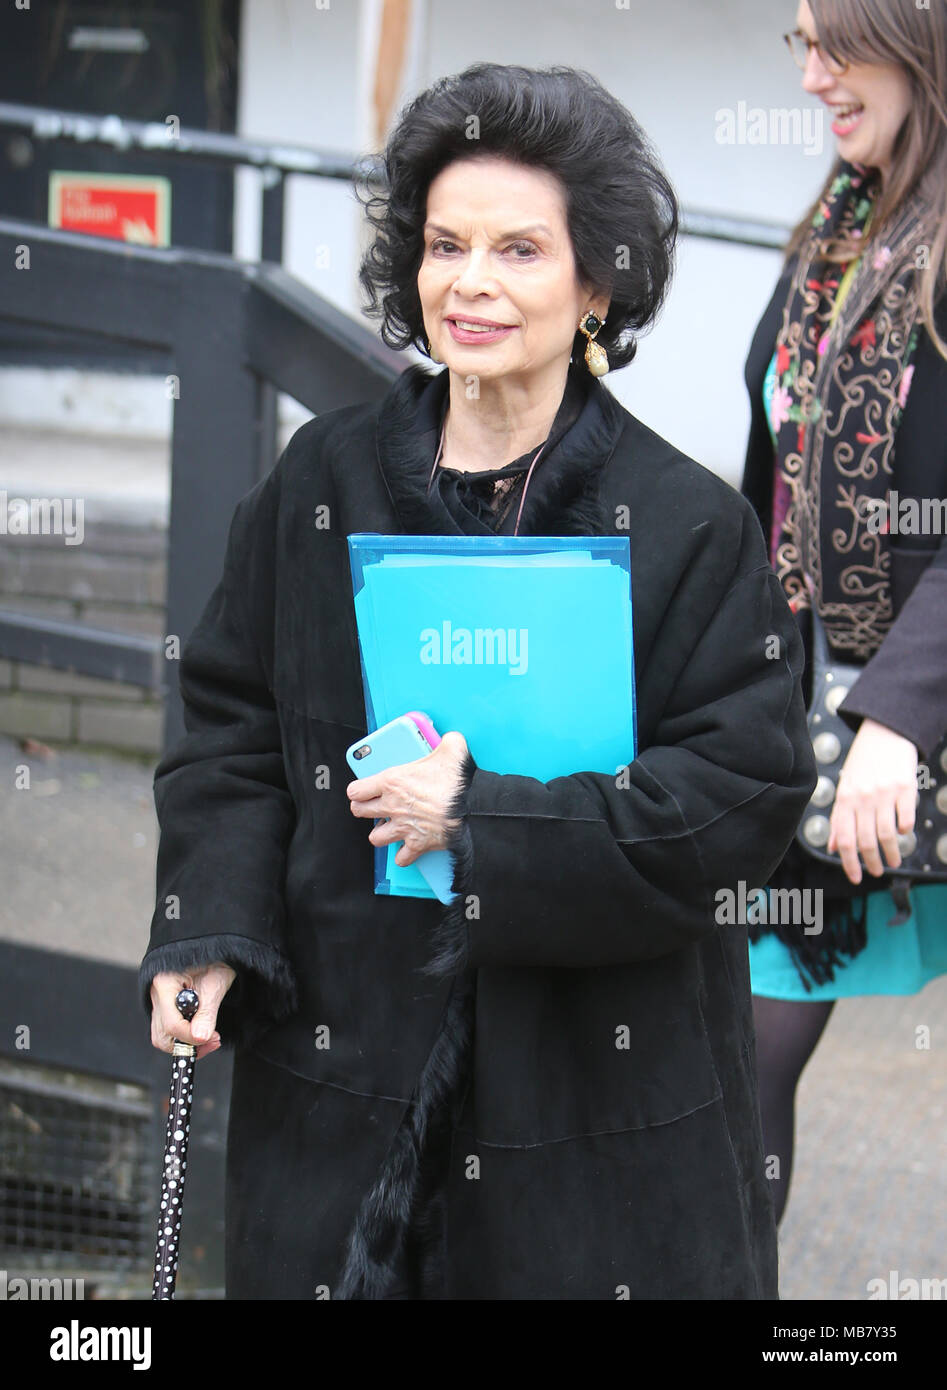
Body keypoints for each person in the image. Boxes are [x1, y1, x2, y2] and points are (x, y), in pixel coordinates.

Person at [140, 62, 815, 1300]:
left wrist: (480, 818)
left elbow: (740, 794)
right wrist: (210, 926)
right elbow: (230, 721)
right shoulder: (320, 484)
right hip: (343, 1061)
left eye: (519, 249)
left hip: (597, 1088)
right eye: (446, 245)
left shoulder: (687, 525)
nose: (472, 283)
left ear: (594, 284)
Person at [742, 0, 947, 1226]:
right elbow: (770, 471)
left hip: (890, 710)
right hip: (816, 717)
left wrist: (899, 718)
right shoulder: (839, 218)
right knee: (739, 1053)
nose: (811, 74)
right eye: (797, 43)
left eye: (835, 43)